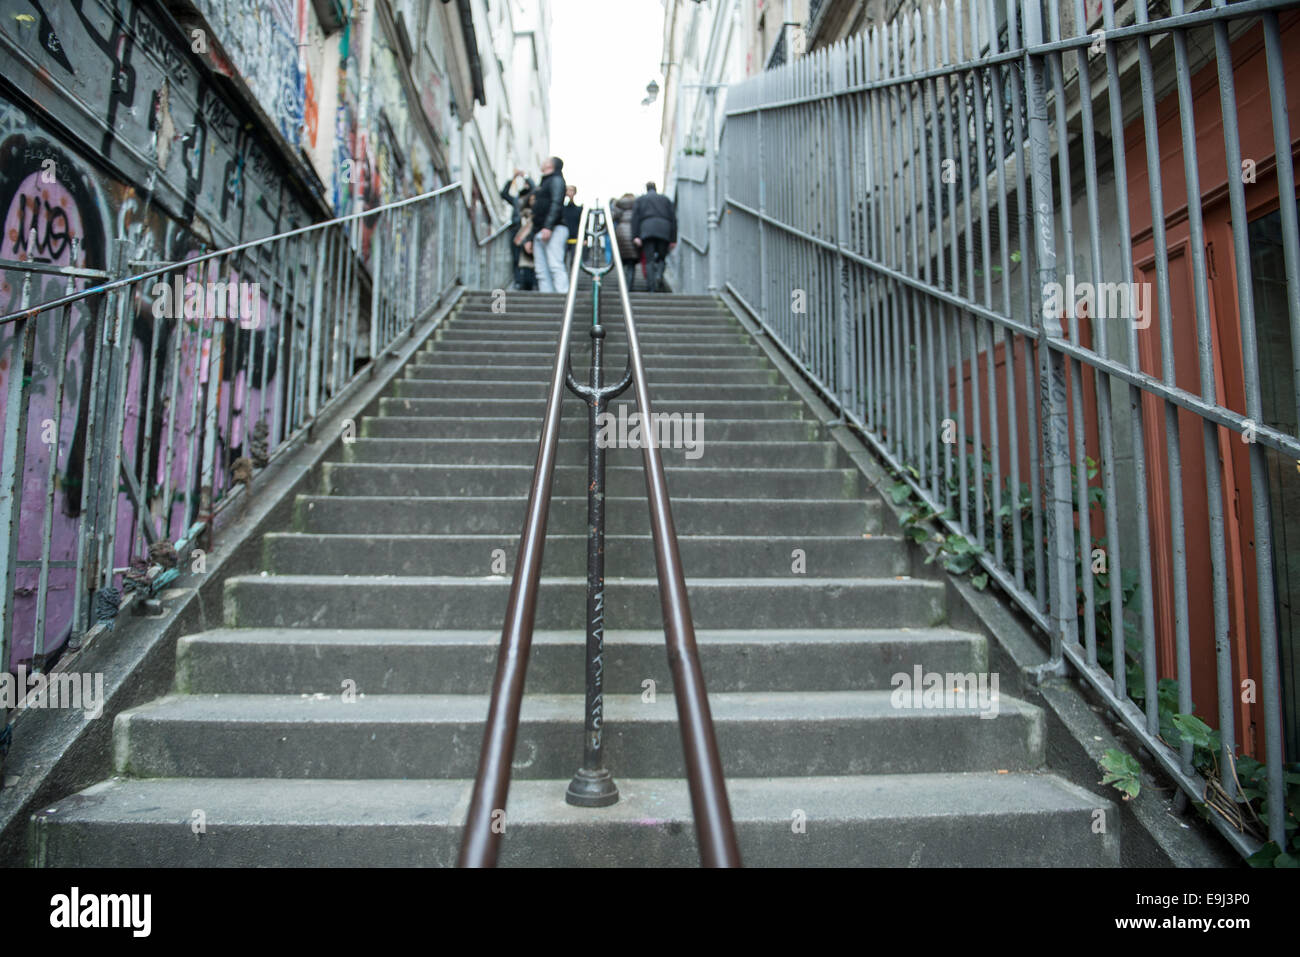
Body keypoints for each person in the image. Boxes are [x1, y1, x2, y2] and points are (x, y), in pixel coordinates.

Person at [530, 156, 569, 293]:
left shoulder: (556, 180)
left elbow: (556, 203)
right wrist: (531, 237)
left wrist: (548, 226)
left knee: (555, 265)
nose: (543, 161)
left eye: (546, 160)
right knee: (541, 269)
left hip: (554, 228)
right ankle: (546, 296)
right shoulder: (544, 182)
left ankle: (563, 296)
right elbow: (537, 211)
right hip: (540, 229)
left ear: (551, 165)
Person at [631, 181, 677, 293]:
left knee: (649, 260)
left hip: (647, 229)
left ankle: (651, 287)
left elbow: (635, 219)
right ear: (656, 188)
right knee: (662, 258)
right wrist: (673, 238)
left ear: (646, 189)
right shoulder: (665, 199)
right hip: (664, 230)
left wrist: (636, 236)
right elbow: (673, 219)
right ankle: (659, 275)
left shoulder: (641, 199)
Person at [501, 169, 534, 289]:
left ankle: (529, 282)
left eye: (526, 184)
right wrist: (512, 178)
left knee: (528, 257)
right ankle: (518, 281)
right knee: (516, 257)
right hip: (516, 230)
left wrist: (524, 176)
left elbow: (534, 187)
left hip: (527, 231)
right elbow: (504, 194)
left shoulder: (532, 198)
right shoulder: (516, 199)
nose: (525, 185)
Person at [609, 193, 639, 290]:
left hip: (620, 234)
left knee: (621, 263)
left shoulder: (619, 207)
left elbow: (610, 219)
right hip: (633, 233)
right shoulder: (637, 207)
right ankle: (628, 287)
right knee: (631, 265)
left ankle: (621, 285)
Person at [514, 193, 538, 290]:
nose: (533, 202)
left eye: (535, 200)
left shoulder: (538, 216)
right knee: (526, 268)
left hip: (536, 243)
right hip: (524, 244)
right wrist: (525, 242)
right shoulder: (523, 215)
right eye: (531, 200)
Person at [562, 185, 583, 270]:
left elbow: (581, 224)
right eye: (568, 190)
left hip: (575, 238)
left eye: (571, 190)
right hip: (563, 238)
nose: (569, 193)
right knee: (562, 262)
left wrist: (584, 238)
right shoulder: (562, 209)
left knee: (574, 262)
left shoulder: (578, 209)